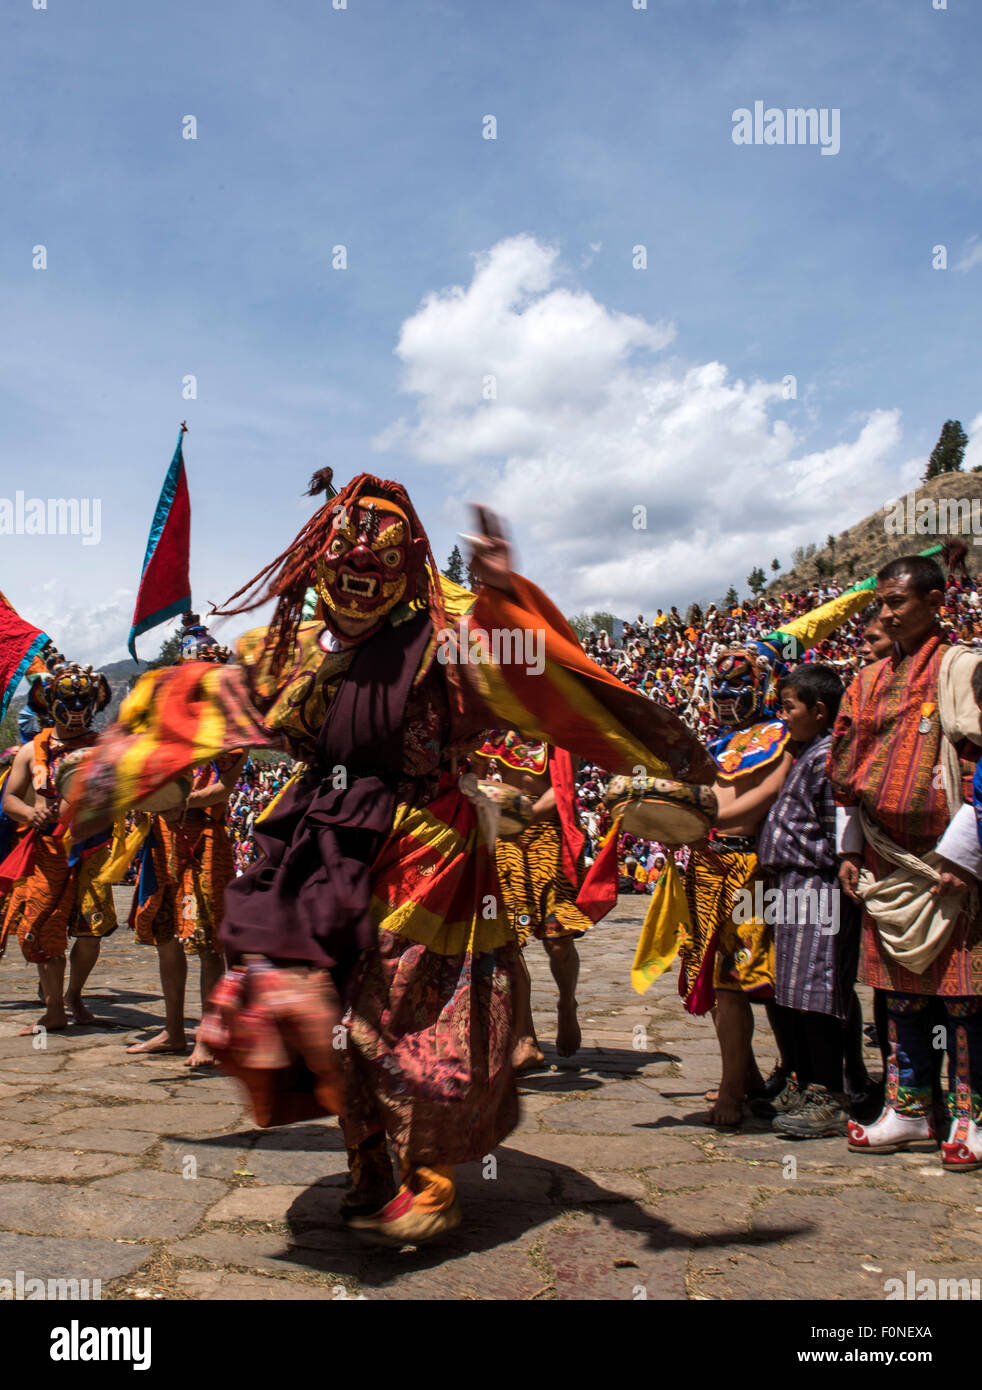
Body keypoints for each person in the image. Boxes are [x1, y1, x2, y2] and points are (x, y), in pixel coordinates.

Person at [76, 471, 712, 1245]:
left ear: (407, 565)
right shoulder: (293, 653)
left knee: (409, 1009)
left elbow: (530, 673)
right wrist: (126, 766)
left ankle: (431, 1174)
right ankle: (370, 1165)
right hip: (319, 840)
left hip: (429, 847)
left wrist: (504, 593)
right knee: (322, 1009)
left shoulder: (447, 642)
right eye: (345, 560)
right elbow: (210, 708)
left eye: (379, 561)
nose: (360, 575)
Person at [831, 555, 982, 1169]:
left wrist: (966, 851)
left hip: (951, 862)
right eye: (881, 603)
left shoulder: (961, 667)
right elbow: (846, 772)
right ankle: (910, 1108)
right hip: (884, 857)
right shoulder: (866, 681)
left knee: (967, 999)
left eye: (898, 602)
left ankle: (972, 1116)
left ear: (935, 600)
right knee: (901, 995)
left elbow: (980, 764)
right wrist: (848, 845)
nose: (887, 613)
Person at [756, 663, 869, 1138]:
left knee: (819, 991)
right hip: (793, 887)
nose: (783, 716)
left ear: (820, 711)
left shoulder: (827, 760)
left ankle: (830, 1092)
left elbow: (839, 829)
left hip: (818, 884)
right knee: (794, 990)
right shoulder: (808, 753)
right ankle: (806, 1081)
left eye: (789, 707)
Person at [127, 616, 245, 1064]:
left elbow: (222, 789)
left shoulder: (232, 731)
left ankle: (209, 1038)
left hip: (207, 842)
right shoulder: (163, 728)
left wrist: (181, 802)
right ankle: (174, 1031)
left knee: (207, 941)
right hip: (162, 838)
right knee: (166, 936)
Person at [473, 731, 600, 1070]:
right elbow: (474, 782)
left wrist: (519, 818)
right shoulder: (493, 733)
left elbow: (562, 792)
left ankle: (566, 1004)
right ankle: (525, 1038)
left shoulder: (557, 733)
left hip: (548, 834)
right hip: (504, 837)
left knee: (558, 942)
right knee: (509, 941)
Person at [1, 662, 116, 1033]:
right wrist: (31, 814)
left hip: (91, 847)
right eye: (69, 700)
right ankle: (53, 1008)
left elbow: (116, 797)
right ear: (51, 702)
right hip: (47, 852)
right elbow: (9, 800)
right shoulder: (31, 750)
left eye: (85, 699)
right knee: (40, 929)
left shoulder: (104, 750)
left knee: (89, 930)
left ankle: (73, 995)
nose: (78, 708)